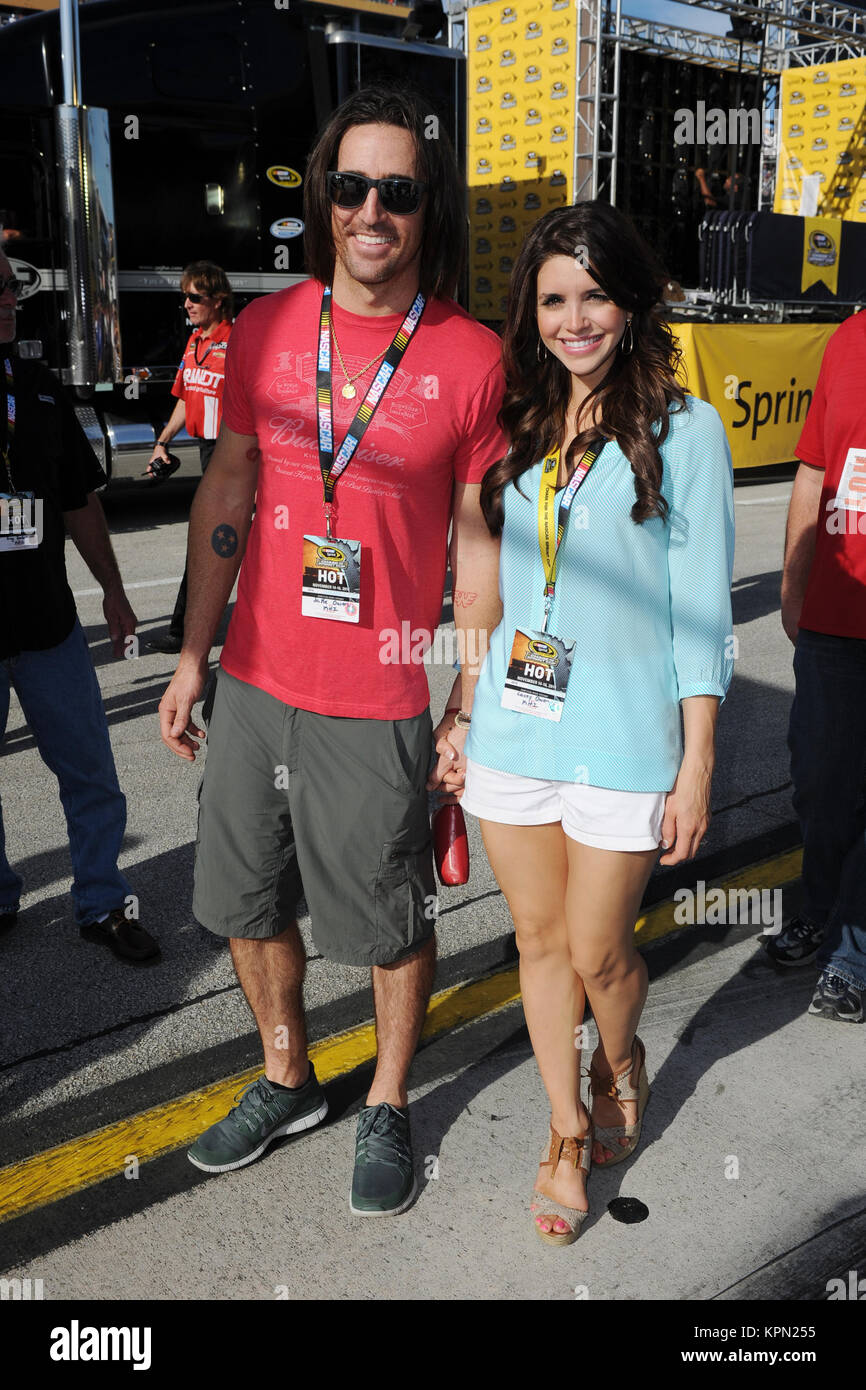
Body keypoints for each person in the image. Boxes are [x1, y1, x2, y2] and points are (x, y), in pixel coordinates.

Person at [157, 84, 505, 1216]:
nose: (370, 211)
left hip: (380, 697)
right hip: (256, 682)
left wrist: (464, 702)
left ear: (423, 209)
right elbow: (226, 489)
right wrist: (192, 654)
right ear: (322, 198)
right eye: (350, 186)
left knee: (384, 924)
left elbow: (478, 540)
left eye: (395, 192)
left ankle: (388, 1100)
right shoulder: (262, 330)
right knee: (247, 902)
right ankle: (285, 1075)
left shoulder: (469, 358)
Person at [434, 202, 735, 1244]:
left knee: (600, 950)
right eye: (553, 299)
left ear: (630, 300)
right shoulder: (518, 422)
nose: (573, 320)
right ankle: (562, 1129)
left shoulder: (685, 431)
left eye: (593, 296)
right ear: (530, 311)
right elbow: (502, 592)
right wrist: (462, 709)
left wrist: (696, 765)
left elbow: (699, 616)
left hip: (619, 743)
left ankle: (622, 1060)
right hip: (512, 736)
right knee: (535, 938)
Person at [0, 248, 158, 962]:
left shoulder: (38, 386)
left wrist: (116, 592)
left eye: (12, 287)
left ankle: (102, 900)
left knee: (90, 769)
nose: (10, 299)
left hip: (48, 626)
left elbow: (78, 500)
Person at [769, 313, 866, 1023]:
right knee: (821, 783)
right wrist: (794, 582)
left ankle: (854, 952)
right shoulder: (849, 338)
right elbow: (813, 467)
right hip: (835, 621)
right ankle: (821, 903)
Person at [147, 262, 234, 655]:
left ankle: (183, 631)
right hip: (206, 451)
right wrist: (162, 440)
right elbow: (186, 396)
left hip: (232, 453)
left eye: (195, 297)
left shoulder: (237, 341)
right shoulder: (196, 341)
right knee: (209, 542)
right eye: (184, 296)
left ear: (218, 301)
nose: (187, 304)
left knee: (211, 541)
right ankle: (184, 629)